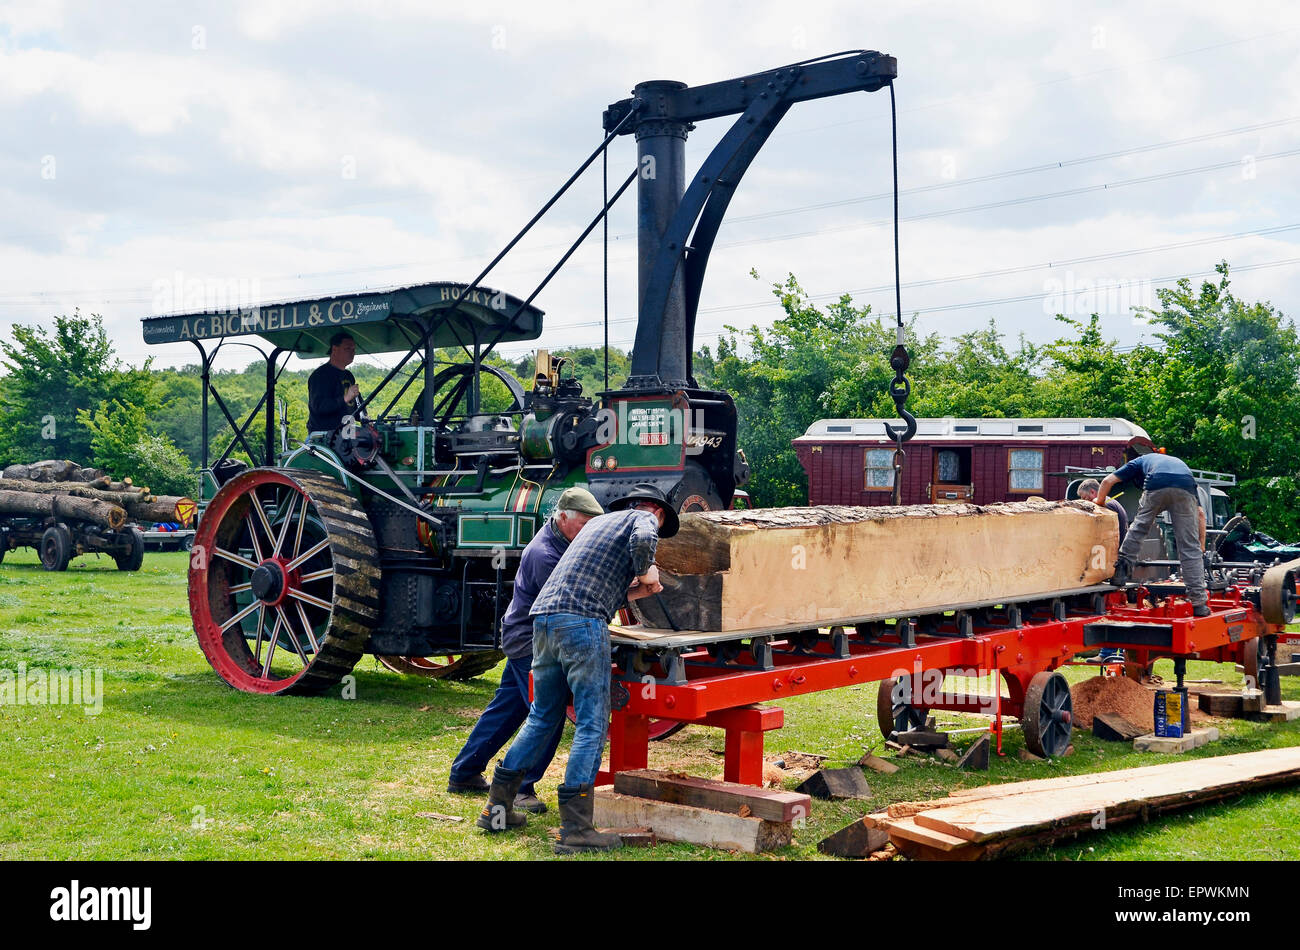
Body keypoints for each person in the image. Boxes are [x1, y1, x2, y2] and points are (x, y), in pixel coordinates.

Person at [477, 483, 679, 854]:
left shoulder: (598, 529)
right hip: (580, 624)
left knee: (541, 717)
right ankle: (577, 829)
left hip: (544, 622)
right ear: (657, 511)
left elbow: (596, 588)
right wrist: (648, 570)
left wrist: (637, 590)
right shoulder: (643, 518)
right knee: (591, 723)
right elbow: (645, 533)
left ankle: (497, 807)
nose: (655, 525)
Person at [446, 486, 605, 813]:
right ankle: (521, 788)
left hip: (529, 637)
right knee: (549, 713)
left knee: (508, 709)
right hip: (529, 641)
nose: (589, 531)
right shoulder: (545, 554)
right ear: (563, 518)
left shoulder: (564, 544)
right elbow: (567, 607)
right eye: (584, 524)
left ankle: (464, 773)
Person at [1093, 453, 1209, 617]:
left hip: (1157, 481)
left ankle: (1120, 575)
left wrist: (1099, 502)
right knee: (1189, 548)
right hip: (1185, 485)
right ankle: (1199, 605)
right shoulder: (1178, 465)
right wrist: (1201, 545)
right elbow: (1201, 514)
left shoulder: (1138, 462)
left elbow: (1107, 481)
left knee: (1139, 528)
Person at [1078, 478, 1130, 663]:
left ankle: (1109, 654)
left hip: (1112, 565)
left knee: (1111, 610)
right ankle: (1111, 653)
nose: (1085, 502)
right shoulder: (1113, 503)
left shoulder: (1106, 506)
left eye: (1085, 498)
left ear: (1093, 493)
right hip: (1116, 563)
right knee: (1113, 611)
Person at [307, 331, 361, 433]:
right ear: (335, 349)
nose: (352, 352)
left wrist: (365, 417)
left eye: (353, 349)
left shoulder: (349, 376)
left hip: (346, 434)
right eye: (347, 349)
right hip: (324, 437)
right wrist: (345, 398)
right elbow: (318, 407)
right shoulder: (320, 376)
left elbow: (354, 403)